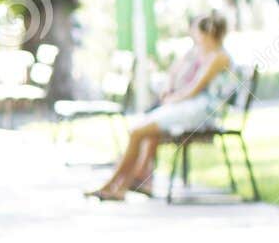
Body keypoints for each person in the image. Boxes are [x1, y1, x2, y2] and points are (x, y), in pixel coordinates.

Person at [87, 11, 233, 201]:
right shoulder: (201, 53)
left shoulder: (218, 57)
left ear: (207, 33)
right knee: (145, 130)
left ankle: (114, 185)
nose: (194, 36)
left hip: (202, 112)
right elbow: (176, 73)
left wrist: (173, 99)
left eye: (197, 32)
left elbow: (195, 88)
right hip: (191, 106)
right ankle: (123, 184)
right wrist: (171, 89)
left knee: (137, 132)